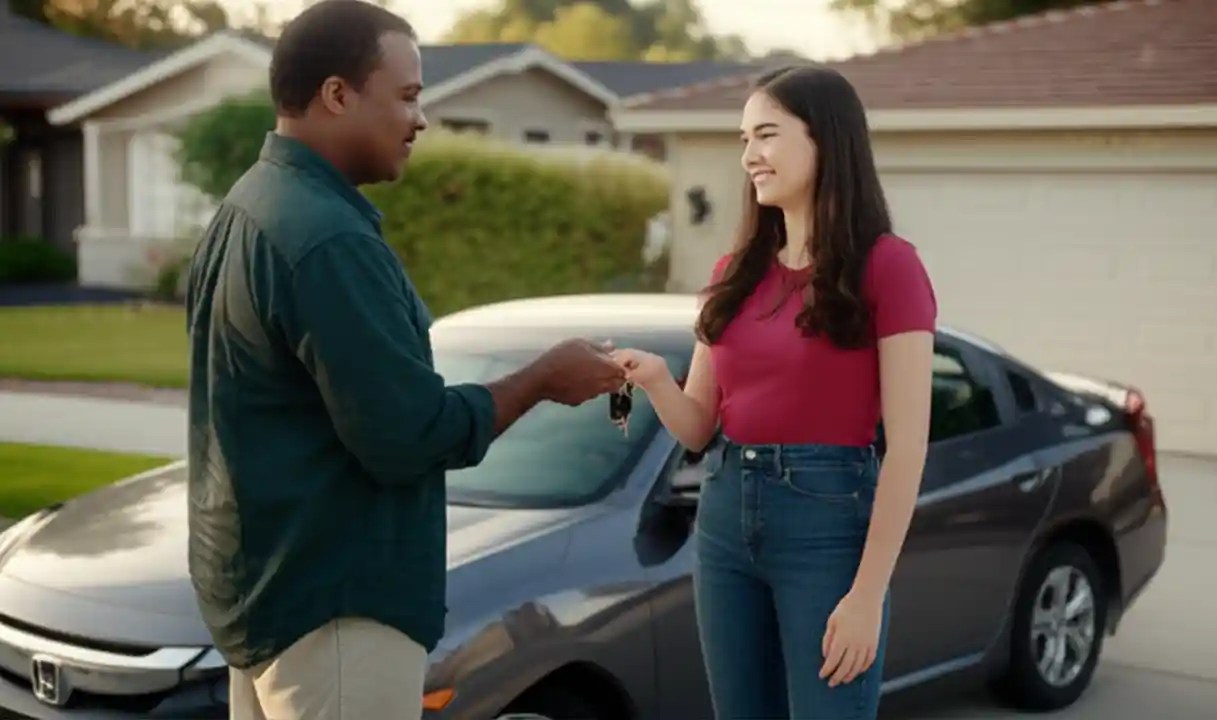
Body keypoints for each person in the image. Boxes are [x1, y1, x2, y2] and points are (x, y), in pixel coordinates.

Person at [183, 2, 625, 718]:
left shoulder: (247, 207)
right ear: (337, 94)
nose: (420, 120)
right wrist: (543, 378)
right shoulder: (326, 240)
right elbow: (408, 436)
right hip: (333, 613)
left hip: (265, 603)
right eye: (409, 96)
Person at [611, 65, 936, 719]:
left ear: (826, 140)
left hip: (829, 526)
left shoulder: (888, 266)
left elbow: (906, 448)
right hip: (725, 517)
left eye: (766, 135)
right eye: (742, 139)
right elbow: (700, 425)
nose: (749, 156)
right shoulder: (733, 273)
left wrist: (868, 594)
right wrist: (652, 379)